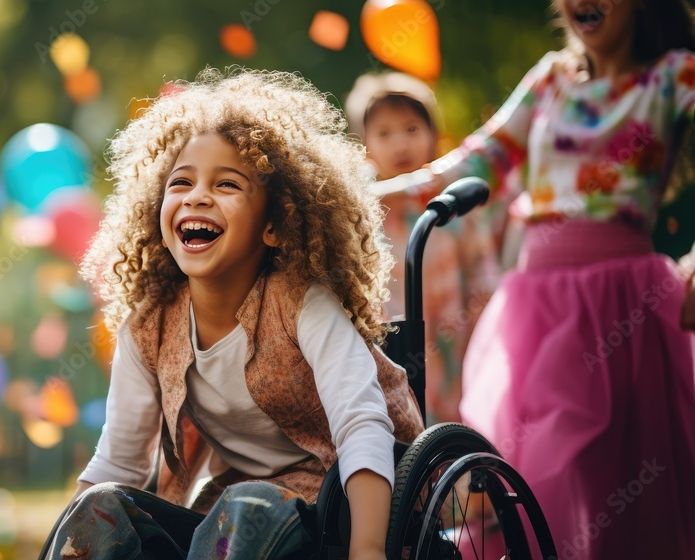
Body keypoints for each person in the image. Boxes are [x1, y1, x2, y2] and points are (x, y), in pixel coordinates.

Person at [42, 68, 424, 560]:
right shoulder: (151, 324)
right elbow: (118, 460)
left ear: (274, 225)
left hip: (341, 502)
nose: (197, 195)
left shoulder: (303, 303)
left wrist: (369, 549)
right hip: (230, 512)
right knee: (102, 507)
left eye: (227, 184)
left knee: (245, 509)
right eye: (181, 182)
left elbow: (361, 426)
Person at [392, 0, 695, 557]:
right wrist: (347, 192)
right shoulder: (552, 79)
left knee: (609, 493)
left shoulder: (675, 76)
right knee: (533, 481)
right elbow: (471, 163)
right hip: (538, 313)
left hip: (625, 307)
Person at [345, 72, 500, 422]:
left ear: (433, 135)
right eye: (384, 133)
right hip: (386, 344)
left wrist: (487, 330)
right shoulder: (360, 206)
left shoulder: (453, 201)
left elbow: (482, 271)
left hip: (452, 341)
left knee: (450, 429)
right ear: (365, 144)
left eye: (412, 129)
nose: (400, 143)